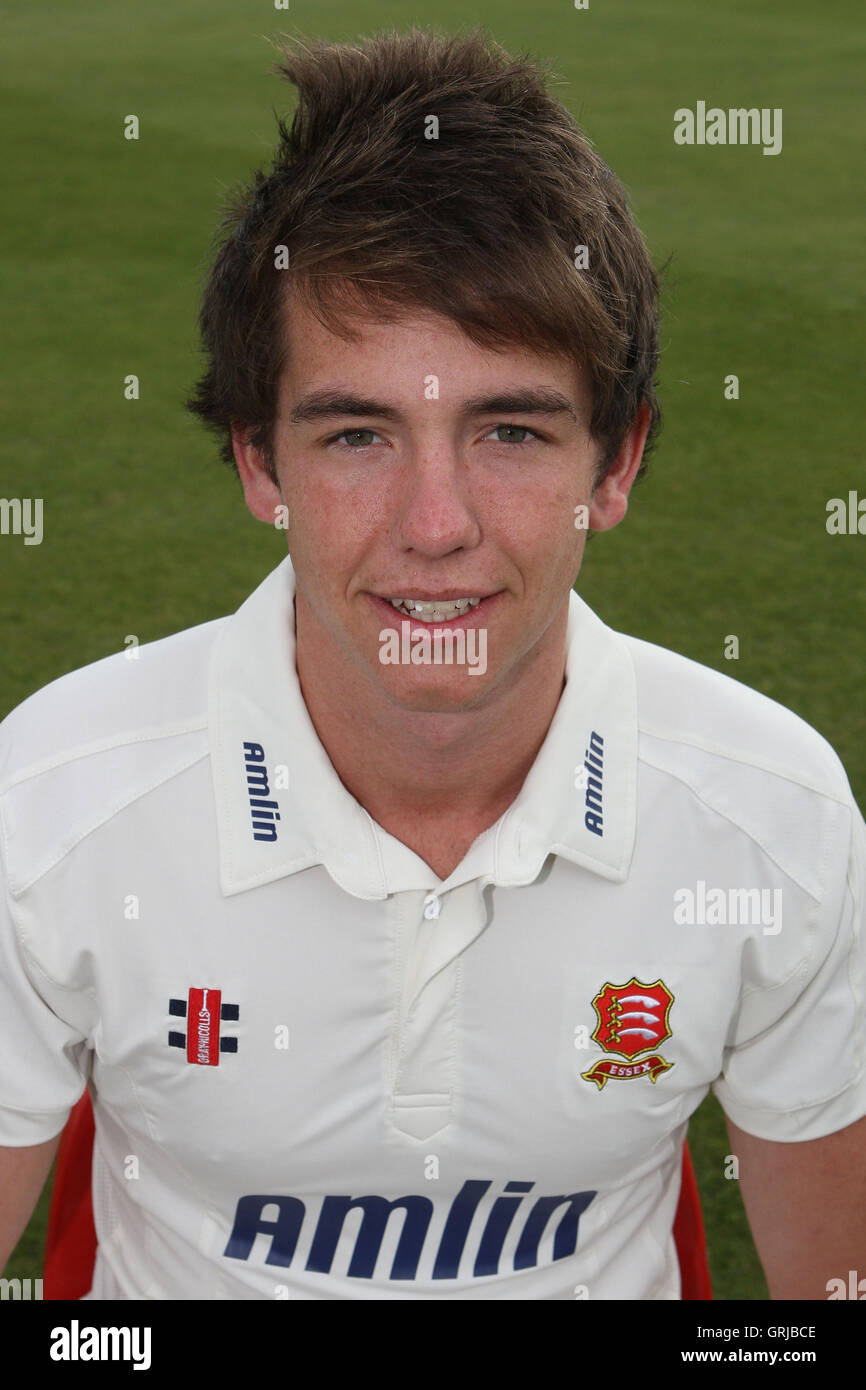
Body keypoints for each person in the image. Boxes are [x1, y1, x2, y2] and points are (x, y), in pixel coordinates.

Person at [1, 26, 863, 1301]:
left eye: (508, 429)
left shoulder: (771, 816)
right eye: (357, 435)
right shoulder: (50, 807)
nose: (436, 522)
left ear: (614, 465)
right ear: (257, 464)